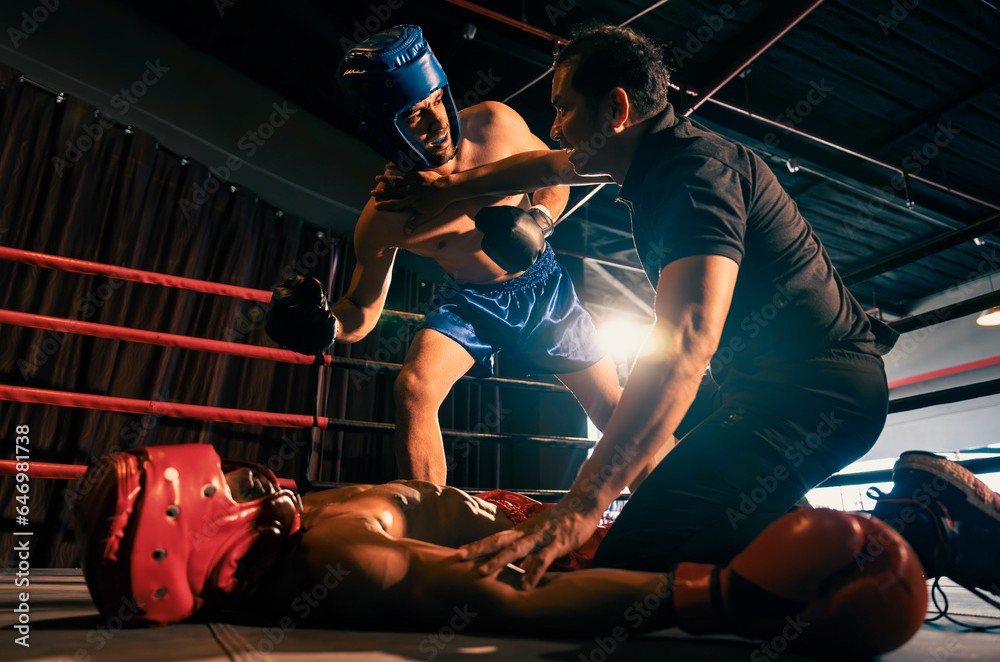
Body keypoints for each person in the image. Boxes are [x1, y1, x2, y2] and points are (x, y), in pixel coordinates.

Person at [370, 24, 999, 608]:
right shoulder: (655, 153)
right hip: (768, 399)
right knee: (711, 541)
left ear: (615, 111)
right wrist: (445, 188)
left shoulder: (694, 178)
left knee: (633, 570)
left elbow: (689, 341)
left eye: (563, 107)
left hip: (814, 398)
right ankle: (858, 539)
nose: (555, 126)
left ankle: (923, 529)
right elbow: (545, 166)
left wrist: (582, 503)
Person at [73, 443, 929, 656]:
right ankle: (939, 530)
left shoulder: (296, 514)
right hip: (608, 552)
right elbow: (505, 596)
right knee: (773, 454)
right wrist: (723, 597)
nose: (232, 474)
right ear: (195, 541)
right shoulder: (335, 556)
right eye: (216, 490)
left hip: (550, 511)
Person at [264, 25, 638, 487]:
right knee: (414, 389)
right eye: (415, 115)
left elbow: (557, 172)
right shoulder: (387, 216)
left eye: (439, 100)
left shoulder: (495, 126)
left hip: (542, 286)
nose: (438, 120)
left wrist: (539, 220)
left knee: (613, 411)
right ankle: (432, 519)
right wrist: (327, 325)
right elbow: (362, 308)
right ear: (384, 129)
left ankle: (687, 513)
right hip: (471, 304)